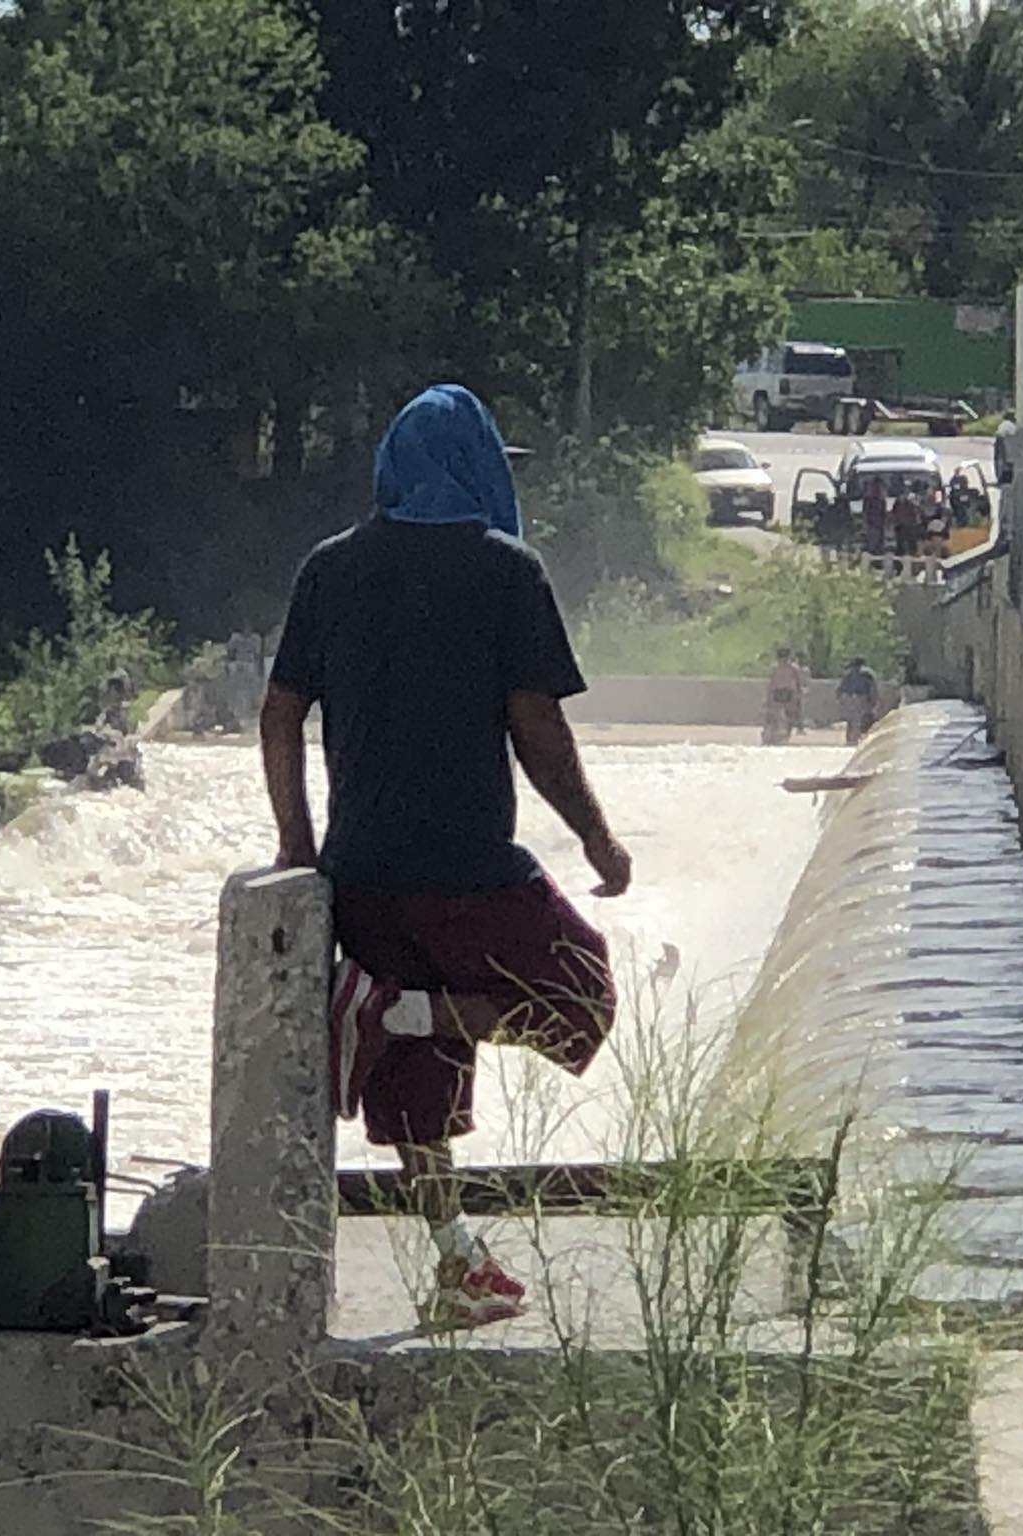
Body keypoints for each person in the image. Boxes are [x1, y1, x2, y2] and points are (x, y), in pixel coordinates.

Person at [260, 383, 631, 1330]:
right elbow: (537, 727)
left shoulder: (327, 570)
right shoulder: (507, 572)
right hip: (468, 869)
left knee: (423, 1084)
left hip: (362, 878)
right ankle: (396, 1008)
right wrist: (595, 834)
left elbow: (279, 710)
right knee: (582, 998)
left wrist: (300, 851)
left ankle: (457, 1264)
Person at [837, 657, 879, 745]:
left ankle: (849, 739)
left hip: (847, 696)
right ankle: (854, 739)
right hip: (860, 696)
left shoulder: (848, 673)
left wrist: (840, 698)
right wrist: (873, 700)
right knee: (857, 719)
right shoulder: (867, 673)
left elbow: (840, 687)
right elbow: (872, 688)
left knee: (850, 719)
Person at [767, 648, 804, 740]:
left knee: (789, 713)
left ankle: (787, 732)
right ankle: (777, 732)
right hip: (780, 691)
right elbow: (772, 681)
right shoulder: (782, 667)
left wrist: (798, 691)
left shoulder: (790, 667)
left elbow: (798, 680)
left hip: (787, 691)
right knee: (777, 713)